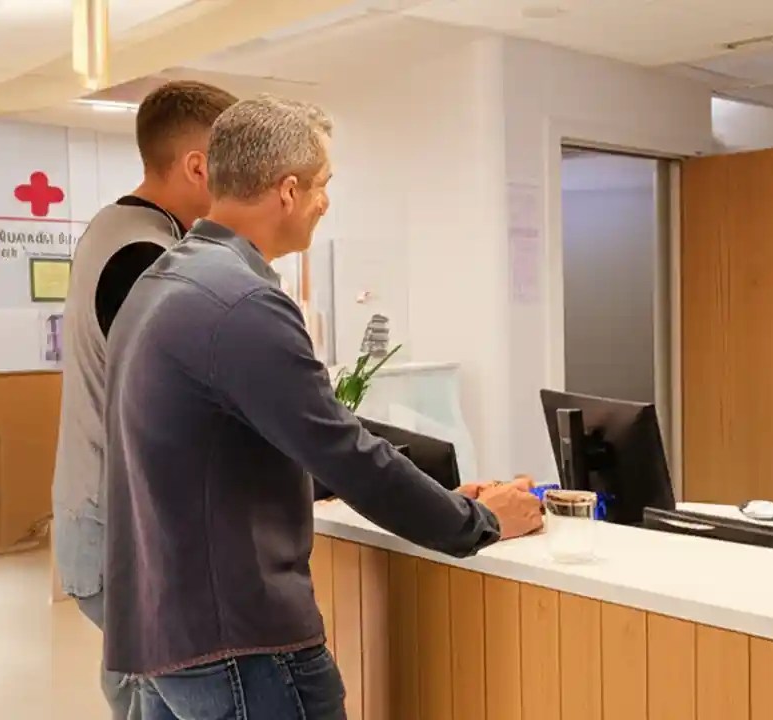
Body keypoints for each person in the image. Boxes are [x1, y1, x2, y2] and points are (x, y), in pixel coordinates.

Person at [101, 95, 544, 718]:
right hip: (241, 646)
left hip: (165, 636)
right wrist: (480, 521)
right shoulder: (241, 303)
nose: (325, 201)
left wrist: (434, 496)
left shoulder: (163, 283)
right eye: (321, 185)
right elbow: (349, 456)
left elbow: (205, 451)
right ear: (286, 190)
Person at [51, 79, 238, 719]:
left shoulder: (115, 226)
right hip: (119, 535)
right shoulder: (149, 258)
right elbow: (180, 409)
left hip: (98, 521)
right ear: (199, 166)